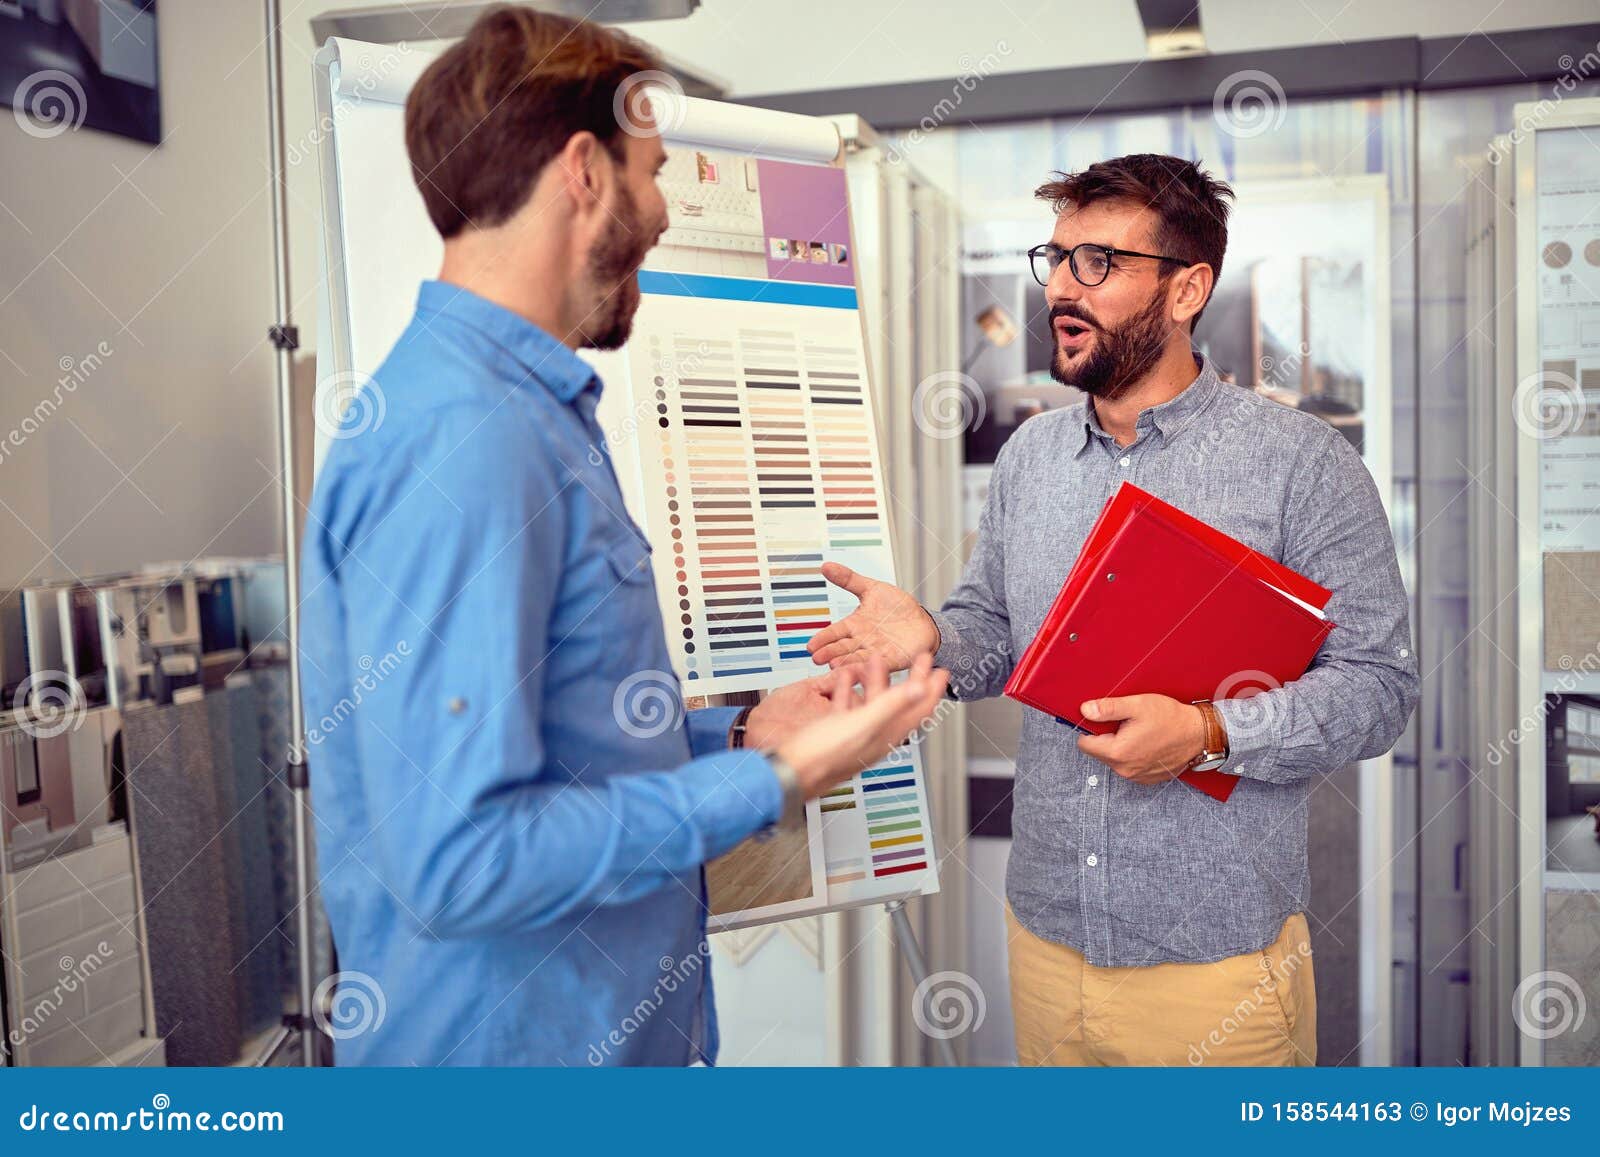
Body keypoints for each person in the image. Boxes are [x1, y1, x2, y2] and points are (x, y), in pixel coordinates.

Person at [299, 7, 946, 1067]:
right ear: (583, 173)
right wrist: (770, 784)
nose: (660, 212)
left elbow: (557, 754)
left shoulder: (533, 415)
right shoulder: (464, 442)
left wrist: (740, 738)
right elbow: (459, 861)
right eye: (651, 174)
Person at [807, 153, 1419, 1066]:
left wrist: (1209, 732)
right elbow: (998, 634)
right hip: (1047, 939)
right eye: (1054, 259)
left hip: (1214, 967)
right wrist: (934, 636)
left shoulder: (1301, 463)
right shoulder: (1032, 457)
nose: (1061, 287)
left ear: (1187, 290)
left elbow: (1379, 688)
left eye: (1097, 263)